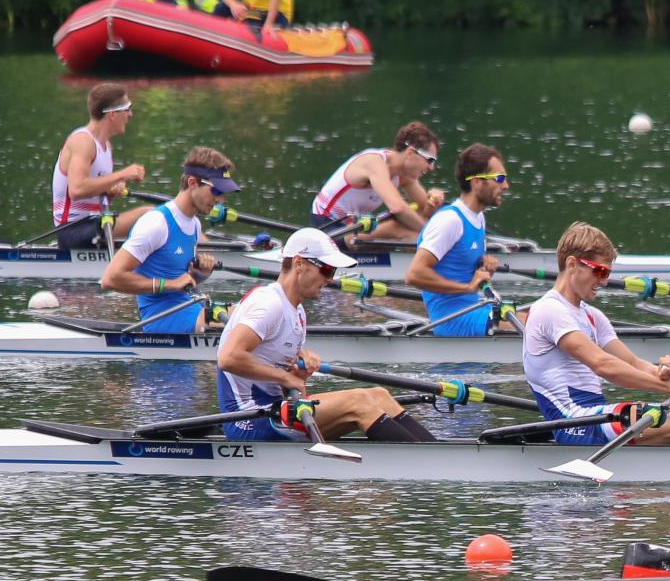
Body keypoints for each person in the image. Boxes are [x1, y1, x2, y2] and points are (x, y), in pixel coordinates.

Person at [522, 222, 670, 447]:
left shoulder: (592, 316)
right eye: (599, 271)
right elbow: (604, 365)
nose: (604, 282)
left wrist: (669, 376)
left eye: (607, 274)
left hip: (596, 416)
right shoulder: (549, 310)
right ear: (573, 264)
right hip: (574, 423)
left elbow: (633, 363)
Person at [216, 228, 435, 443]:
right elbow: (229, 358)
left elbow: (283, 381)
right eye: (327, 270)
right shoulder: (269, 303)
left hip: (279, 409)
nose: (331, 279)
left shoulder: (297, 312)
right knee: (359, 401)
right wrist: (285, 377)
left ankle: (437, 453)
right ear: (299, 263)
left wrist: (300, 373)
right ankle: (429, 465)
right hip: (248, 419)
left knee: (379, 395)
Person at [99, 147, 232, 333]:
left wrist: (200, 275)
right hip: (159, 319)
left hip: (186, 308)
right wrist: (170, 284)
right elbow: (110, 279)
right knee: (244, 323)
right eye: (216, 190)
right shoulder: (157, 223)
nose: (220, 200)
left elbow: (180, 282)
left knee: (248, 312)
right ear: (193, 183)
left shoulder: (194, 224)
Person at [405, 143, 506, 336]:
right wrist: (467, 288)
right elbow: (414, 275)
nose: (506, 186)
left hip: (475, 308)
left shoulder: (478, 217)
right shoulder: (450, 220)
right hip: (453, 320)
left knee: (543, 317)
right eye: (499, 179)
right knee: (540, 326)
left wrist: (484, 270)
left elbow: (459, 269)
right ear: (476, 182)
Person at [51, 83, 150, 249]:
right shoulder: (82, 141)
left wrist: (111, 190)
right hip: (72, 231)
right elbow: (76, 190)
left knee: (164, 216)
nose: (130, 115)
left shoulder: (106, 147)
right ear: (112, 114)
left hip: (96, 225)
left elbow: (95, 195)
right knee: (151, 214)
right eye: (127, 109)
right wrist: (121, 175)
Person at [309, 121, 444, 243]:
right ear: (410, 153)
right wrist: (433, 234)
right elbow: (398, 208)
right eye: (430, 160)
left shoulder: (404, 175)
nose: (431, 168)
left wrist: (433, 201)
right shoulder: (374, 163)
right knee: (395, 227)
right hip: (327, 227)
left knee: (415, 223)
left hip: (354, 225)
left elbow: (424, 210)